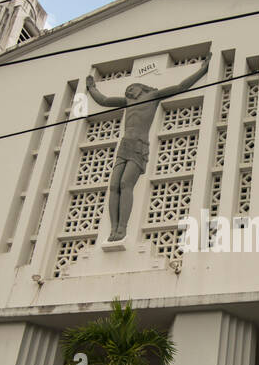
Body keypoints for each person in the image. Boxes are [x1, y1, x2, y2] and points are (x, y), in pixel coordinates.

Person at [85, 55, 211, 241]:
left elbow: (180, 87)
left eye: (131, 88)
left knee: (125, 184)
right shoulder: (127, 102)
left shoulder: (153, 96)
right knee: (113, 186)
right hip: (124, 145)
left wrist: (202, 70)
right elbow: (104, 100)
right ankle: (113, 229)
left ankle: (122, 228)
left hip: (139, 145)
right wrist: (91, 87)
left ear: (141, 88)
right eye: (127, 90)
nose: (128, 92)